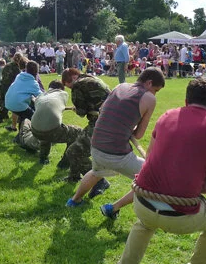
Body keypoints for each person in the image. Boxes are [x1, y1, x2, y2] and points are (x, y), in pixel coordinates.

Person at [109, 77, 206, 264]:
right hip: (180, 214)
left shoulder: (167, 116)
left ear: (186, 100)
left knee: (145, 223)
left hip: (142, 203)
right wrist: (184, 182)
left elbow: (150, 158)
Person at [67, 68, 165, 207]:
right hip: (117, 154)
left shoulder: (120, 86)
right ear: (149, 83)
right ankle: (112, 208)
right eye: (156, 90)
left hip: (96, 146)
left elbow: (102, 110)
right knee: (153, 178)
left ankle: (74, 200)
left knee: (96, 173)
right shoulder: (149, 98)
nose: (155, 94)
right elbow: (138, 135)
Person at [60, 68, 110, 181]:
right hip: (109, 120)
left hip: (101, 123)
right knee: (78, 141)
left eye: (69, 86)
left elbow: (81, 112)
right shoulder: (91, 78)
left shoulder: (78, 85)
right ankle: (74, 177)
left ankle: (99, 181)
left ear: (72, 78)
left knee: (73, 152)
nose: (70, 88)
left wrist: (77, 109)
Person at [30, 80, 82, 165]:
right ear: (62, 88)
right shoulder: (63, 94)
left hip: (35, 130)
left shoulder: (41, 96)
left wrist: (68, 108)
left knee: (45, 125)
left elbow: (49, 106)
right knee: (78, 132)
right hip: (51, 130)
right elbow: (58, 106)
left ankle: (43, 158)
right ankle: (65, 162)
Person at [4, 60, 42, 129]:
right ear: (36, 72)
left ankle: (14, 127)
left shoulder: (19, 76)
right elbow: (41, 96)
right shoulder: (33, 83)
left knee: (22, 114)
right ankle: (20, 137)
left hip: (8, 101)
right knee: (34, 118)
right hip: (18, 104)